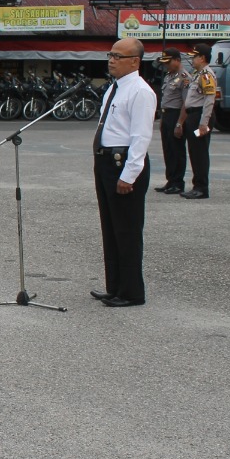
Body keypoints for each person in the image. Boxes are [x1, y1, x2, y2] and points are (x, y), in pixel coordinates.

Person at [91, 38, 156, 308]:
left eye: (118, 56)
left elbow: (141, 137)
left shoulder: (140, 91)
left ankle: (132, 292)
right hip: (106, 161)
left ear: (135, 62)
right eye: (111, 54)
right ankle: (115, 286)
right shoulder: (114, 88)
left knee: (127, 230)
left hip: (124, 162)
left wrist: (129, 176)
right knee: (111, 227)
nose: (112, 60)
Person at [176, 43, 216, 199]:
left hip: (200, 116)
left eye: (195, 57)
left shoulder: (206, 75)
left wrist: (204, 123)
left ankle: (201, 188)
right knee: (194, 150)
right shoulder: (198, 74)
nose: (192, 60)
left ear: (202, 58)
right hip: (193, 116)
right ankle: (197, 185)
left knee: (199, 152)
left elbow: (209, 99)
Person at [154, 47, 189, 195]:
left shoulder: (184, 77)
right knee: (168, 149)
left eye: (169, 62)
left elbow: (186, 103)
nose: (166, 65)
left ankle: (178, 183)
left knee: (177, 150)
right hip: (167, 115)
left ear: (177, 60)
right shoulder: (169, 76)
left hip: (177, 115)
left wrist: (180, 123)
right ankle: (170, 180)